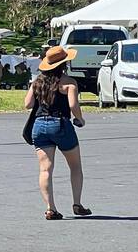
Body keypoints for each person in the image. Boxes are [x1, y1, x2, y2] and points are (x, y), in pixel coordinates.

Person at [24, 45, 90, 221]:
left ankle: (50, 208)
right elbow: (73, 106)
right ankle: (77, 203)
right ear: (64, 63)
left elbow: (28, 104)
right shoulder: (68, 82)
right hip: (60, 123)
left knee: (45, 169)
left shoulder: (37, 81)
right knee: (75, 166)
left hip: (39, 125)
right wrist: (80, 119)